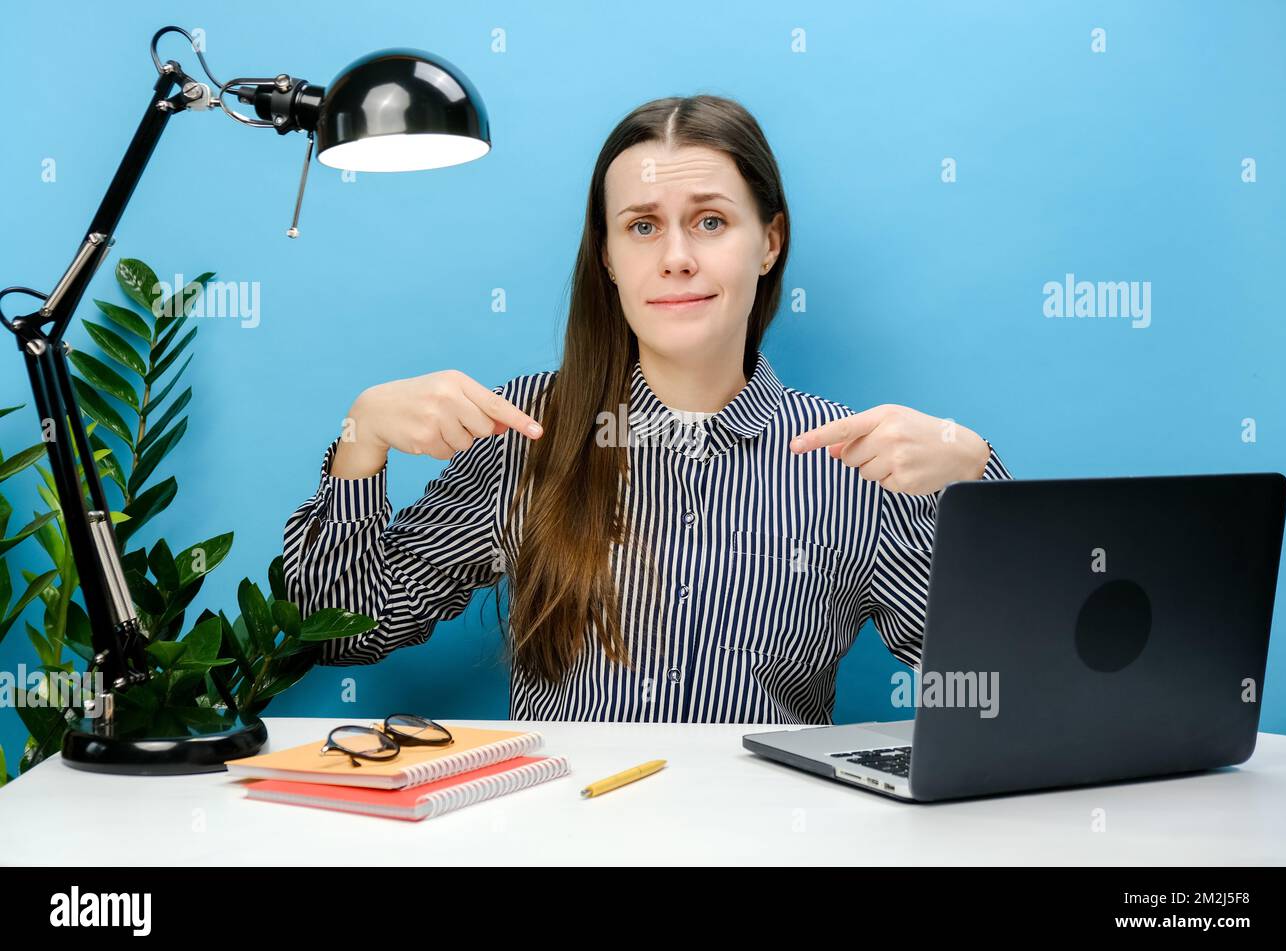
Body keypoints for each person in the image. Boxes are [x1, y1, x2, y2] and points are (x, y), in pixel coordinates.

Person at [282, 94, 1013, 724]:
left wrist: (977, 482)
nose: (675, 258)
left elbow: (1000, 679)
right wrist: (362, 438)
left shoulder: (862, 459)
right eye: (641, 227)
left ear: (770, 243)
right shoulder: (524, 431)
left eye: (711, 222)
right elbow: (340, 633)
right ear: (607, 258)